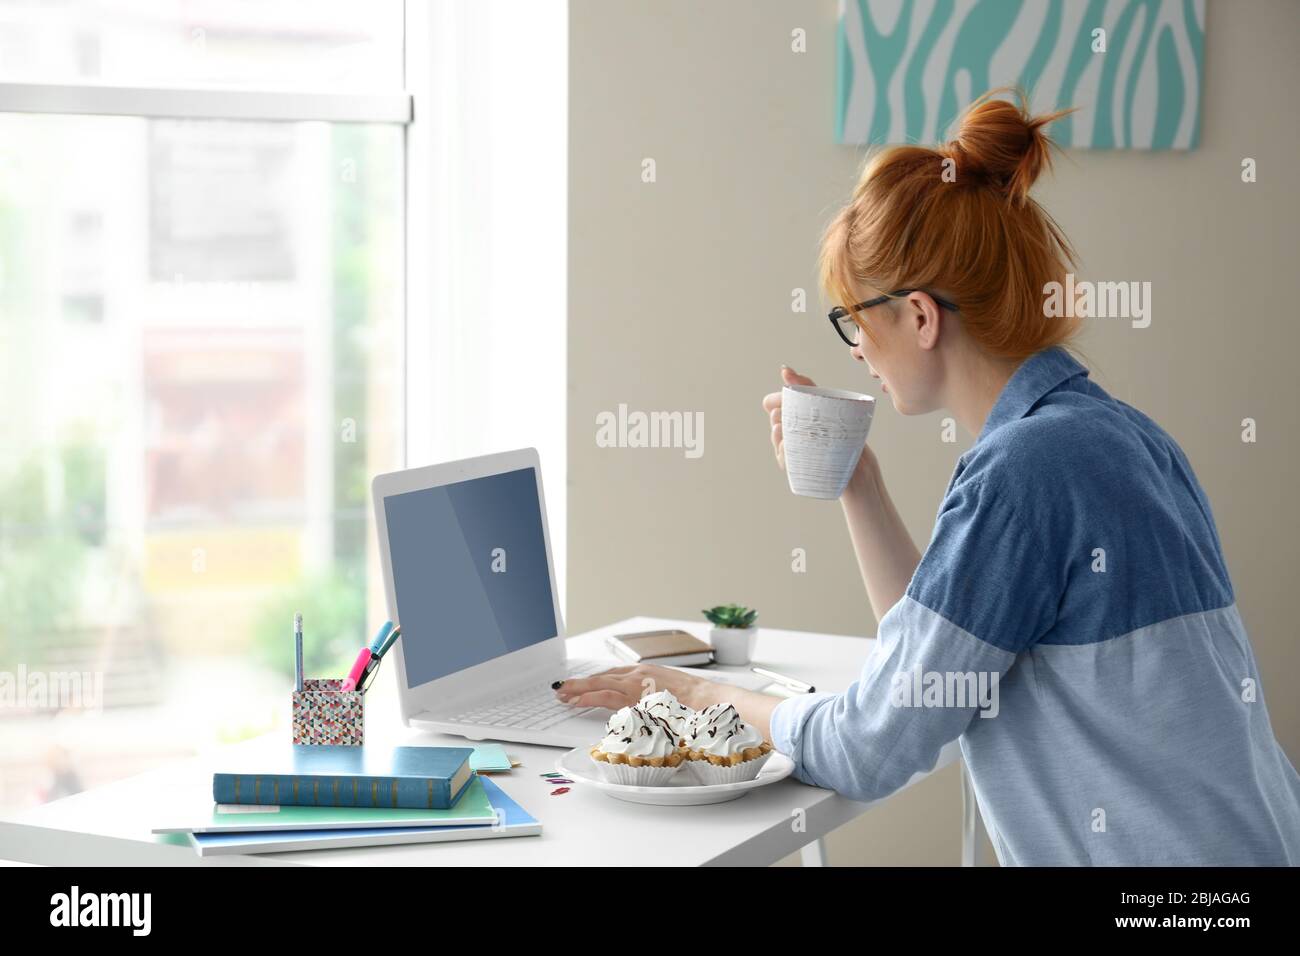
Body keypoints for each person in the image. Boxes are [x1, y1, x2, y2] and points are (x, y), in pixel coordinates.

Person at [555, 89, 1300, 865]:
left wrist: (700, 694)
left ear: (918, 317)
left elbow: (867, 749)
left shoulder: (1023, 474)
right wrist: (858, 483)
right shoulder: (1117, 439)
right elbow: (936, 671)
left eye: (852, 318)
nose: (854, 349)